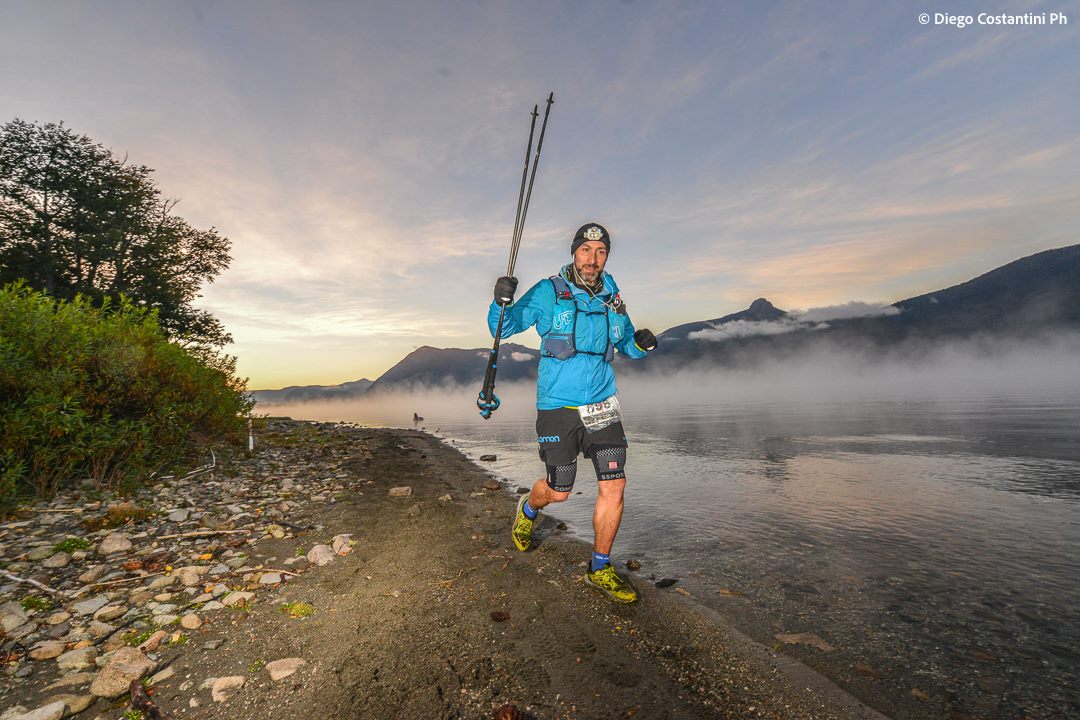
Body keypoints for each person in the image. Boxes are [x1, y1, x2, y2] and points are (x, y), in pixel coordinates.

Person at [488, 222, 657, 603]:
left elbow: (625, 343)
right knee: (559, 492)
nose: (592, 259)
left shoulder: (612, 297)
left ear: (606, 256)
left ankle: (599, 567)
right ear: (574, 252)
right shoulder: (550, 292)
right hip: (557, 408)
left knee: (614, 486)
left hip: (602, 406)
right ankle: (529, 508)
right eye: (586, 251)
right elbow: (503, 327)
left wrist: (640, 345)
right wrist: (500, 300)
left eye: (600, 252)